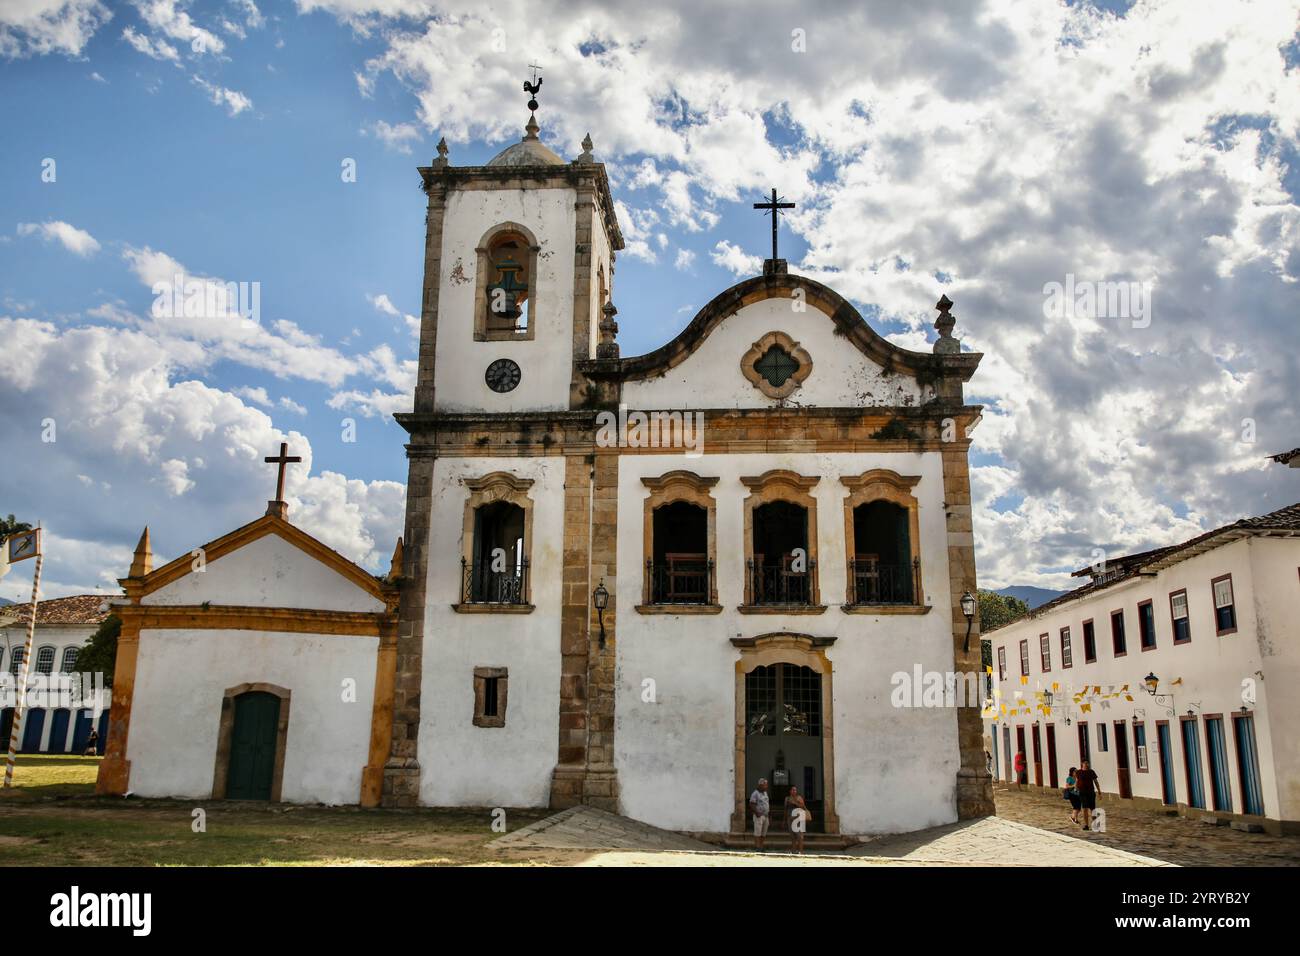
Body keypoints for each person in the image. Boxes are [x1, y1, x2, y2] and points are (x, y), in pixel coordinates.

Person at [1075, 759, 1101, 831]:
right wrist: (1075, 788)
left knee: (1093, 809)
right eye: (1085, 763)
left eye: (1087, 763)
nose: (1086, 764)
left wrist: (1099, 791)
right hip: (1082, 792)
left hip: (1090, 792)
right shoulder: (1079, 772)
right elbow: (1077, 781)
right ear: (1082, 764)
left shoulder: (1091, 772)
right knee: (1084, 808)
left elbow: (1096, 782)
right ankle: (1086, 825)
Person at [785, 785, 810, 854]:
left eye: (795, 790)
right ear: (790, 791)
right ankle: (793, 850)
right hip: (790, 818)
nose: (794, 791)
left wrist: (795, 802)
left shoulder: (799, 798)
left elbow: (803, 807)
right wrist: (784, 820)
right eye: (793, 790)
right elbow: (785, 809)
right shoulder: (787, 798)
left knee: (799, 836)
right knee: (792, 836)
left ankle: (801, 851)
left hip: (798, 818)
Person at [748, 778, 770, 850]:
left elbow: (766, 803)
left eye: (766, 785)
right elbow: (751, 804)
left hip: (766, 815)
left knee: (764, 833)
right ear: (760, 785)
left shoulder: (765, 793)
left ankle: (761, 846)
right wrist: (757, 813)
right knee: (758, 832)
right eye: (765, 785)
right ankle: (757, 847)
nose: (766, 786)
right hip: (759, 816)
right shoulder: (755, 793)